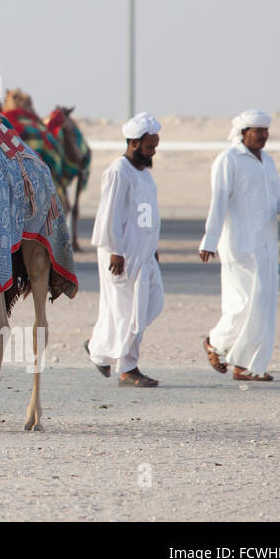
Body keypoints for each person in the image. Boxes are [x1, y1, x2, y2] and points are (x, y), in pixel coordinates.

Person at [200, 109, 280, 382]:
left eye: (266, 131)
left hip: (266, 244)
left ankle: (246, 365)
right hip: (238, 243)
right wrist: (209, 239)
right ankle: (215, 343)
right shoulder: (228, 160)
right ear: (243, 133)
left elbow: (279, 196)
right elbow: (218, 201)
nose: (264, 136)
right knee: (243, 303)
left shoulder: (267, 161)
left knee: (264, 304)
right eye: (258, 131)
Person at [85, 112, 164, 387]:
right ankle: (128, 369)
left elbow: (147, 216)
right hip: (121, 255)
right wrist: (115, 251)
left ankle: (98, 348)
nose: (153, 151)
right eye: (149, 146)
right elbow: (109, 215)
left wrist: (153, 248)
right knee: (127, 313)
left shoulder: (144, 175)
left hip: (143, 254)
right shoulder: (119, 171)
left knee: (151, 304)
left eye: (155, 146)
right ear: (133, 144)